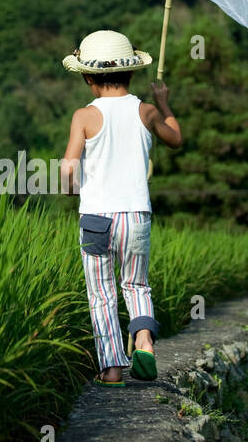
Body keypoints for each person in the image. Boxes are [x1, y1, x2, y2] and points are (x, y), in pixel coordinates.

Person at [59, 30, 183, 386]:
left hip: (97, 217)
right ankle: (143, 339)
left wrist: (72, 190)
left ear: (88, 78)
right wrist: (164, 103)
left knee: (101, 294)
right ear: (131, 74)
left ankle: (112, 369)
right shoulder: (145, 110)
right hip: (136, 215)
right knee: (136, 285)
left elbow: (69, 167)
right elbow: (175, 139)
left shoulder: (84, 116)